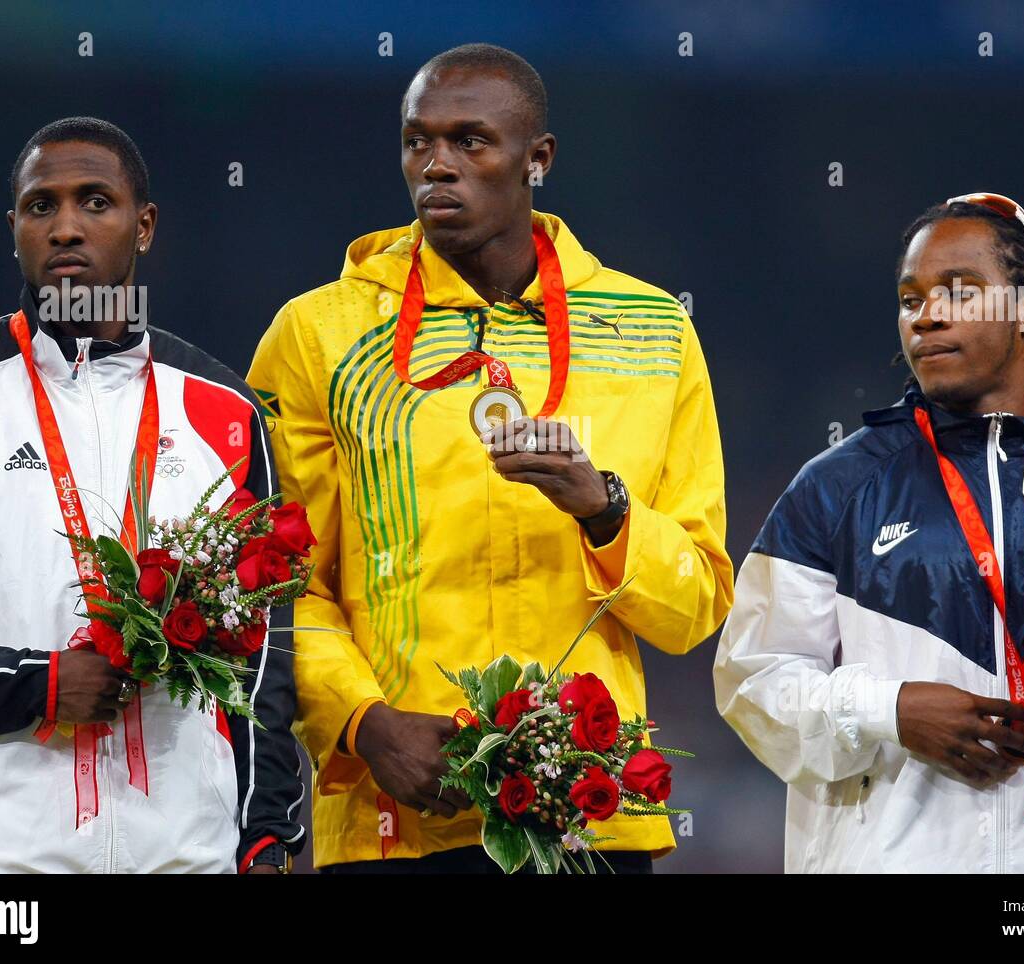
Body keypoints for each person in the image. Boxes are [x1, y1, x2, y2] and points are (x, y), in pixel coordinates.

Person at [249, 44, 733, 872]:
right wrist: (364, 725)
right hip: (398, 812)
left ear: (537, 159)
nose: (437, 166)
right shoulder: (319, 334)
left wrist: (606, 510)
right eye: (417, 142)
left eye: (471, 142)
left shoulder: (654, 331)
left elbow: (695, 607)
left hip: (591, 813)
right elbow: (280, 582)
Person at [714, 192, 1024, 872]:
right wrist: (891, 711)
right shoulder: (834, 490)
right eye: (911, 299)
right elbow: (751, 684)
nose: (927, 315)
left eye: (960, 292)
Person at [0, 117, 304, 873]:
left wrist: (268, 840)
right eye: (41, 207)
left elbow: (265, 656)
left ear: (144, 227)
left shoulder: (225, 411)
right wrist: (34, 687)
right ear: (13, 227)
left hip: (189, 857)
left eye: (95, 202)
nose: (67, 227)